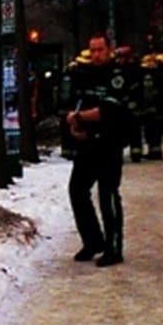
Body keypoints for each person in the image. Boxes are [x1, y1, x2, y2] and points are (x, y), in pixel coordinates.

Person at [63, 33, 132, 267]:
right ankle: (93, 240)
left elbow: (107, 110)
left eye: (100, 50)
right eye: (92, 50)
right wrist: (74, 123)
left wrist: (80, 116)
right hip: (87, 142)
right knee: (77, 190)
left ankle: (114, 247)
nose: (96, 54)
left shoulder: (117, 75)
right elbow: (76, 103)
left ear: (109, 50)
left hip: (110, 142)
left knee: (108, 193)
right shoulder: (85, 75)